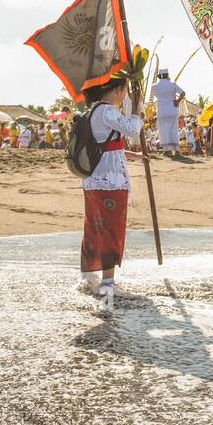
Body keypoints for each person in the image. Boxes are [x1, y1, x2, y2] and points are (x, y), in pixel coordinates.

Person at [78, 75, 144, 310]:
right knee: (110, 230)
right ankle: (107, 282)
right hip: (110, 182)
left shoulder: (93, 111)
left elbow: (106, 145)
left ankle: (89, 278)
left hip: (94, 180)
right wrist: (138, 111)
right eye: (124, 90)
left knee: (94, 227)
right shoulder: (106, 111)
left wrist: (131, 155)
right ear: (116, 90)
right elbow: (131, 128)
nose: (124, 95)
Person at [151, 69, 186, 157]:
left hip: (162, 111)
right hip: (172, 109)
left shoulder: (154, 86)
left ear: (159, 76)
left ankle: (167, 151)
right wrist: (178, 101)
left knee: (163, 131)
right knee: (173, 130)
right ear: (167, 75)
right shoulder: (172, 84)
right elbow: (183, 93)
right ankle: (177, 151)